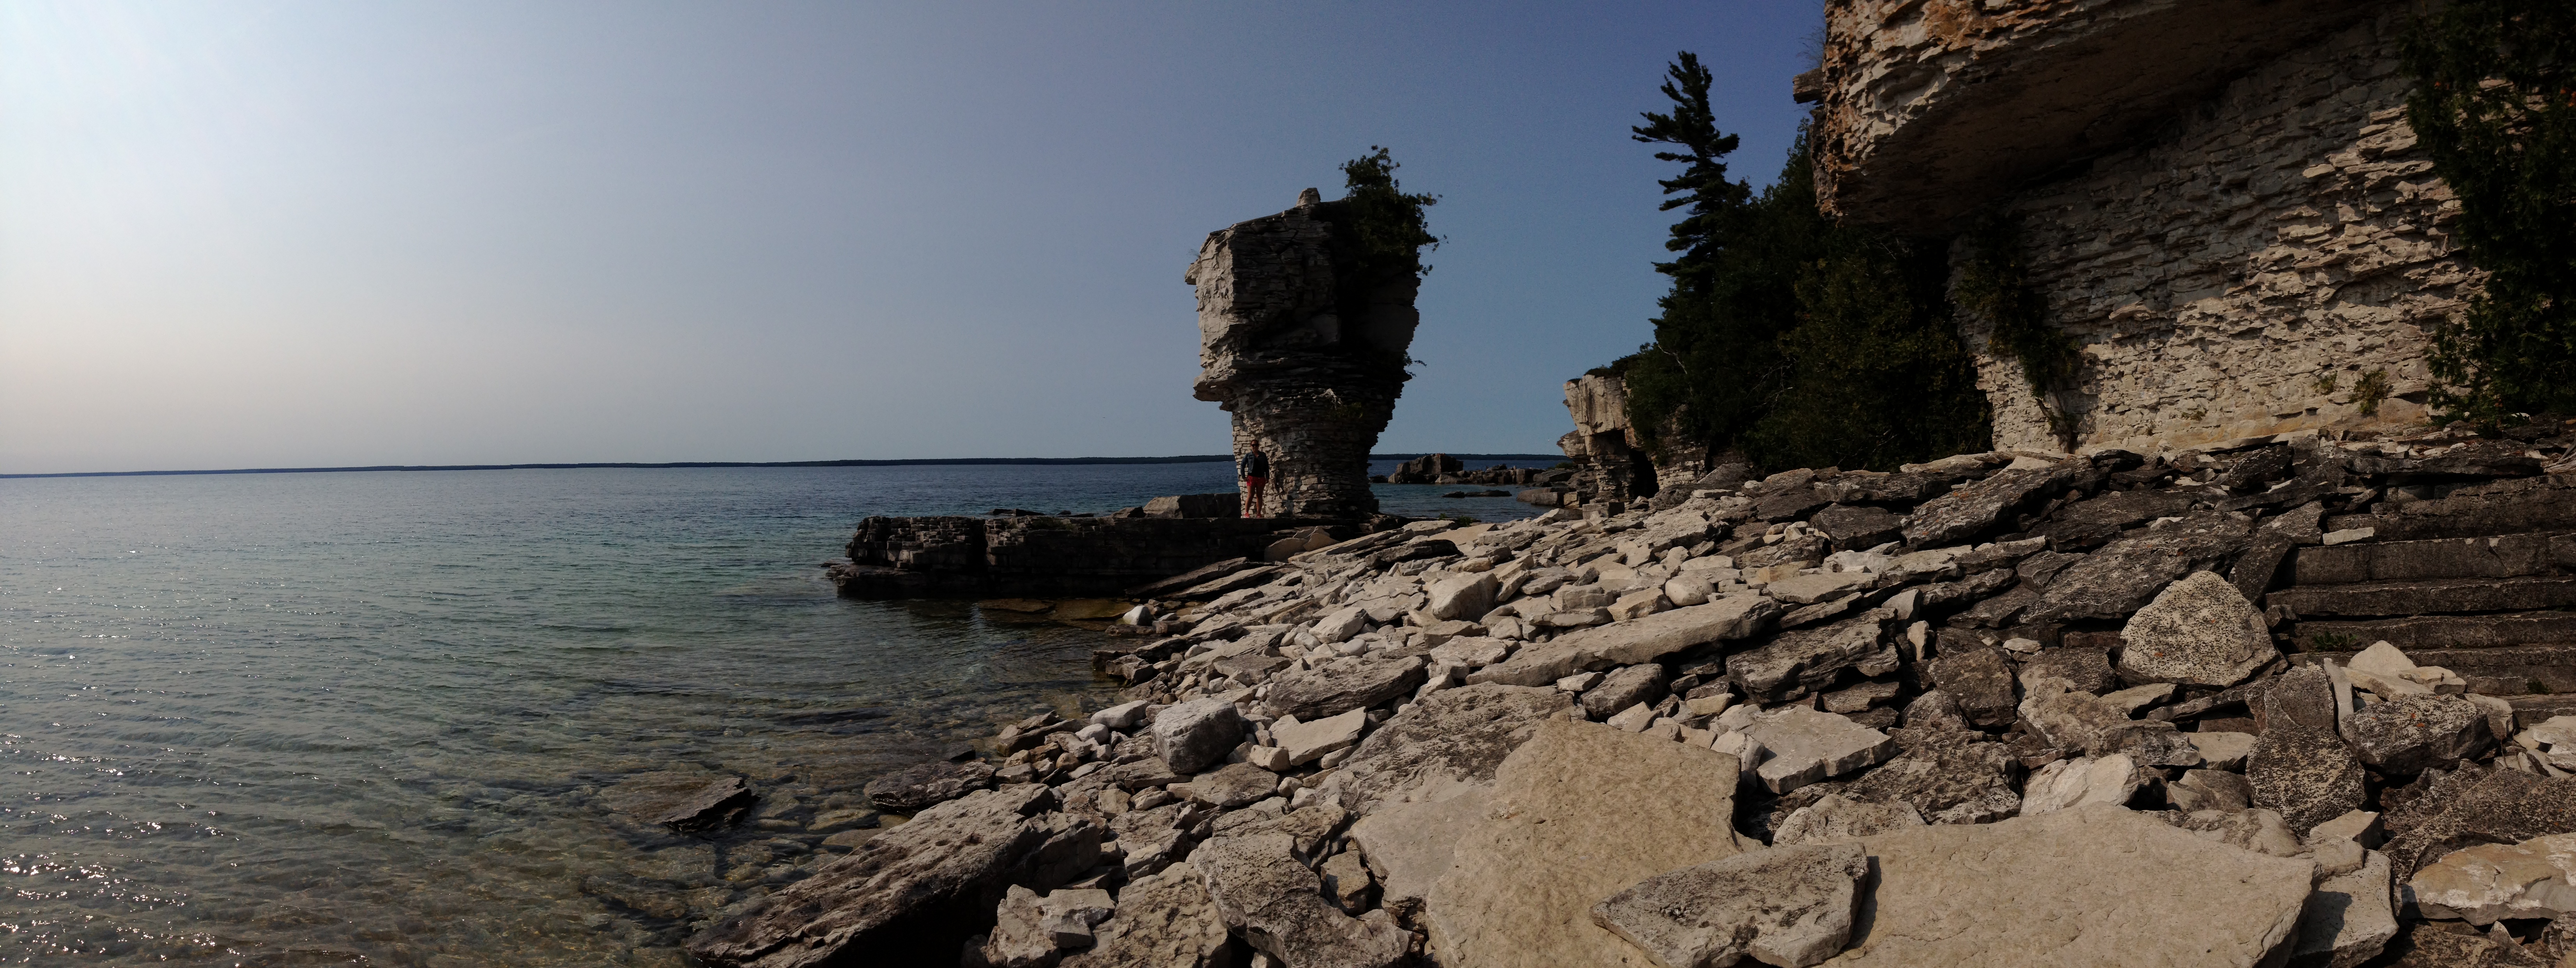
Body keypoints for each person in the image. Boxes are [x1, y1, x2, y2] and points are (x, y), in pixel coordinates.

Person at [1240, 446, 1270, 518]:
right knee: (1251, 495)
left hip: (1261, 477)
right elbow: (1242, 466)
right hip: (1251, 477)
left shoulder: (1263, 455)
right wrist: (1244, 477)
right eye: (1253, 445)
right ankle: (1246, 513)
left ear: (1258, 446)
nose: (1255, 447)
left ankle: (1259, 514)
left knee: (1259, 495)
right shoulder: (1248, 455)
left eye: (1256, 445)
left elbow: (1266, 466)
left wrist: (1267, 477)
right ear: (1251, 446)